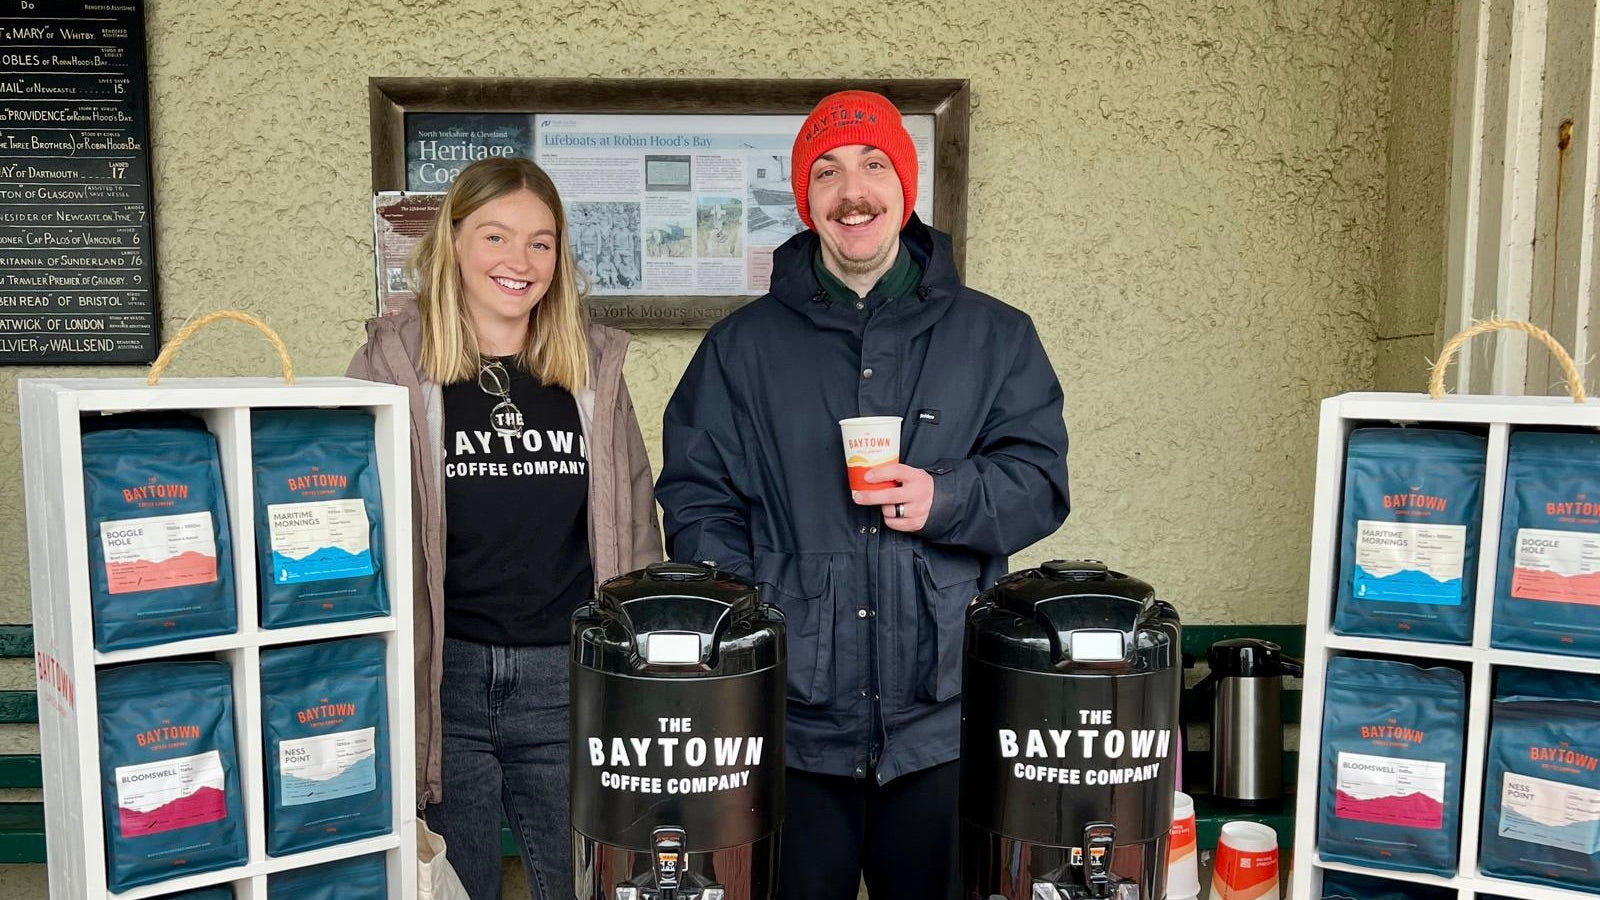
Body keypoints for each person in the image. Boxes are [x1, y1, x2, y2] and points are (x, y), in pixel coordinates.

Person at [656, 90, 1069, 900]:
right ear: (806, 199)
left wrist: (946, 498)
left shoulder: (996, 336)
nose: (853, 191)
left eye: (874, 165)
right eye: (829, 172)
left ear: (905, 187)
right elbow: (696, 497)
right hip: (788, 729)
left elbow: (1041, 482)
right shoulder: (742, 349)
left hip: (946, 721)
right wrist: (761, 608)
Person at [348, 156, 663, 900]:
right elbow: (352, 518)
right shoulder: (390, 365)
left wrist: (639, 671)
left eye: (540, 242)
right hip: (442, 679)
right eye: (495, 236)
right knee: (458, 887)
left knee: (589, 885)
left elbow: (634, 518)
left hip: (567, 676)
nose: (518, 262)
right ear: (453, 243)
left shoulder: (591, 370)